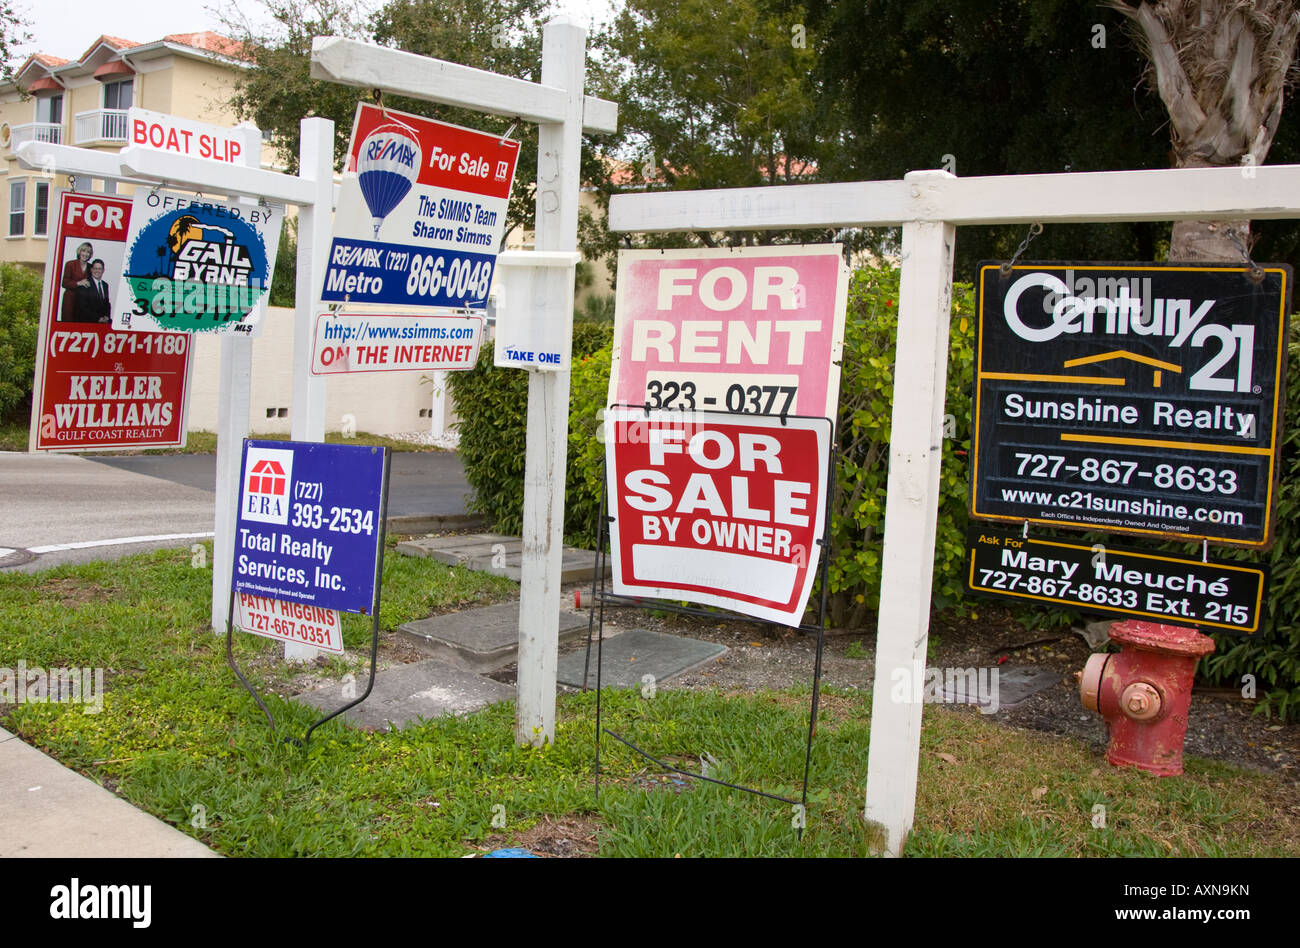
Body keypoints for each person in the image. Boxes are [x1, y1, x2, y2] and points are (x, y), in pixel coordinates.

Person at [60, 241, 93, 322]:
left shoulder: (91, 267)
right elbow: (64, 283)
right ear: (79, 251)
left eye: (88, 252)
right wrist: (78, 283)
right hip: (70, 300)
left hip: (83, 302)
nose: (85, 254)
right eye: (83, 251)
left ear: (90, 255)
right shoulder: (70, 264)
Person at [73, 259, 111, 324]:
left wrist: (107, 317)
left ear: (103, 270)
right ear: (91, 270)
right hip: (89, 322)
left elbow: (107, 303)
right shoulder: (85, 284)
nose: (97, 271)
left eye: (99, 269)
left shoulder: (105, 285)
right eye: (95, 268)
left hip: (104, 323)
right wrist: (98, 319)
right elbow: (82, 307)